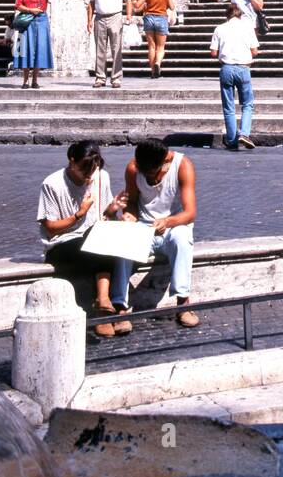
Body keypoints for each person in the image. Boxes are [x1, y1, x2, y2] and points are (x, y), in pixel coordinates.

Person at [38, 140, 128, 338]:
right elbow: (51, 229)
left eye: (92, 170)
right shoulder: (52, 184)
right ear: (72, 161)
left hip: (94, 241)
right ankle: (105, 306)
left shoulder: (101, 176)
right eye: (83, 170)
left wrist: (114, 209)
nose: (89, 176)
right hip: (62, 244)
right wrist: (79, 214)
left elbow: (104, 215)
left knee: (113, 237)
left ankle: (110, 305)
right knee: (98, 239)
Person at [109, 140, 200, 326]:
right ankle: (120, 307)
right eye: (144, 172)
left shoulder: (183, 165)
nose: (148, 177)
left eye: (151, 173)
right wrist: (129, 216)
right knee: (122, 241)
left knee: (182, 238)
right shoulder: (133, 168)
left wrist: (167, 222)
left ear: (165, 161)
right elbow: (133, 203)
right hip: (144, 226)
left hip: (174, 225)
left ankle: (183, 302)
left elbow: (190, 213)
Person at [210, 3, 258, 150]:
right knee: (247, 104)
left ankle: (231, 140)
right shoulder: (248, 27)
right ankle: (244, 133)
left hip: (226, 68)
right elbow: (254, 51)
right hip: (243, 68)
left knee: (229, 107)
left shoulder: (219, 28)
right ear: (240, 15)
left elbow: (213, 53)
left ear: (227, 15)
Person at [88, 0, 133, 89]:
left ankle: (116, 78)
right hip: (99, 18)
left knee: (116, 48)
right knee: (99, 50)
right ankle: (100, 77)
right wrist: (89, 20)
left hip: (115, 16)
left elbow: (128, 0)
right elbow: (91, 3)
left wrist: (129, 15)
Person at [14, 0, 55, 90]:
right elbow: (18, 5)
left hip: (41, 20)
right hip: (27, 20)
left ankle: (35, 80)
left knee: (39, 48)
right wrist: (30, 10)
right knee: (25, 48)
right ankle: (25, 80)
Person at [133, 0, 174, 77]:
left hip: (149, 18)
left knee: (151, 46)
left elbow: (137, 6)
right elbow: (172, 7)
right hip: (161, 17)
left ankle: (152, 72)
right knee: (160, 47)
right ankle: (157, 63)